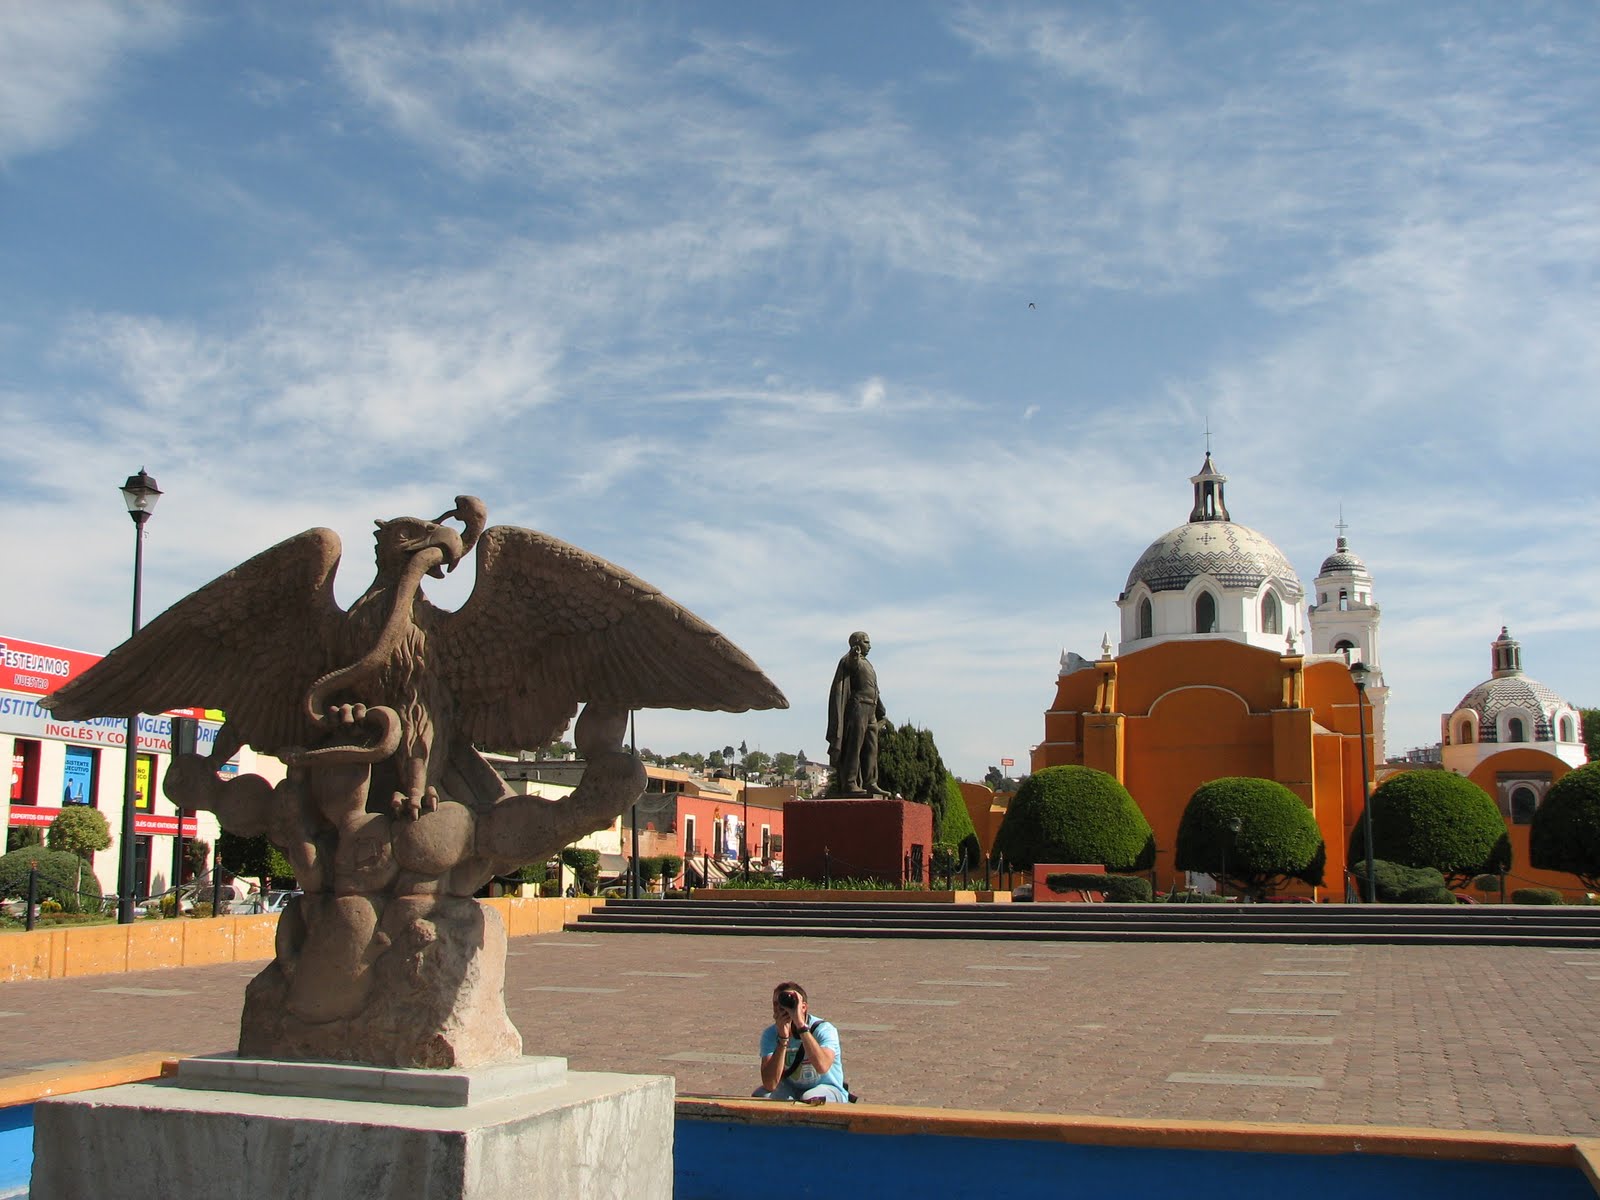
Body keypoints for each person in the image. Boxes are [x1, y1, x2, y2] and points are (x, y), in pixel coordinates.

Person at [754, 981, 848, 1104]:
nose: (781, 1008)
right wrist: (783, 1039)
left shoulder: (824, 1029)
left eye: (788, 1004)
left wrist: (801, 1026)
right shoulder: (771, 1034)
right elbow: (770, 1084)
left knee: (810, 1098)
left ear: (803, 1007)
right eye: (776, 1004)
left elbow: (822, 1066)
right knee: (762, 1096)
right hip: (791, 1090)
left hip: (828, 1088)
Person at [825, 631, 887, 796]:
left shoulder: (868, 664)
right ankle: (851, 783)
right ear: (858, 644)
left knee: (871, 748)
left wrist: (881, 708)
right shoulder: (851, 659)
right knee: (854, 747)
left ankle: (871, 782)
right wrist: (854, 654)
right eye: (866, 642)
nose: (870, 646)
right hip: (858, 708)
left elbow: (875, 689)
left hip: (871, 710)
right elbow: (851, 663)